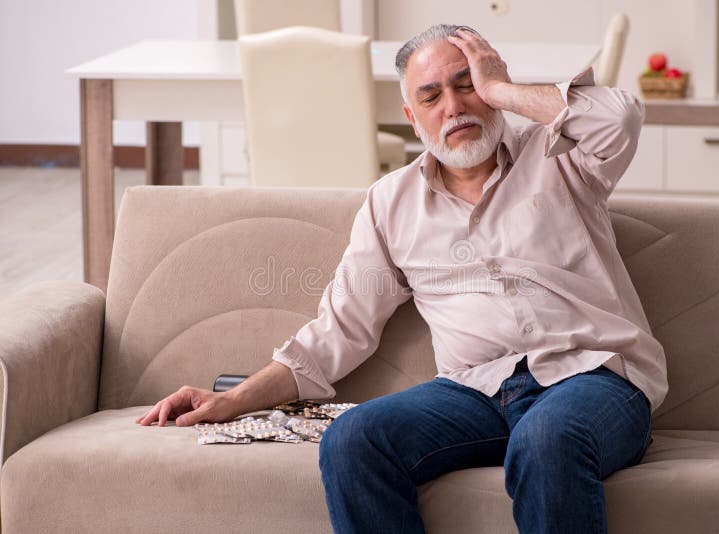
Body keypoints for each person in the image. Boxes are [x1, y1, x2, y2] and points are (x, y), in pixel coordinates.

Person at [137, 24, 668, 534]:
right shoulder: (390, 203)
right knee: (353, 440)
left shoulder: (561, 158)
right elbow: (339, 331)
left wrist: (503, 88)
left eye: (468, 85)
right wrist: (232, 399)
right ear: (413, 119)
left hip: (592, 379)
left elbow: (619, 118)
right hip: (474, 393)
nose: (455, 106)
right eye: (432, 97)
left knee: (547, 438)